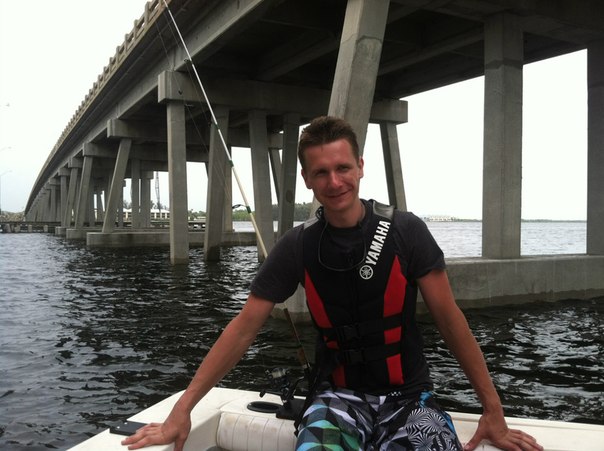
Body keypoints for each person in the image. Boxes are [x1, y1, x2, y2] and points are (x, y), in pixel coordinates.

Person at [123, 116, 542, 451]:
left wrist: (493, 409)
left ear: (360, 166)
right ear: (307, 178)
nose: (335, 182)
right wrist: (183, 409)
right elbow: (243, 328)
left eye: (343, 168)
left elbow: (451, 321)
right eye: (321, 172)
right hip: (337, 398)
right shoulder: (298, 246)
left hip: (410, 397)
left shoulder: (407, 231)